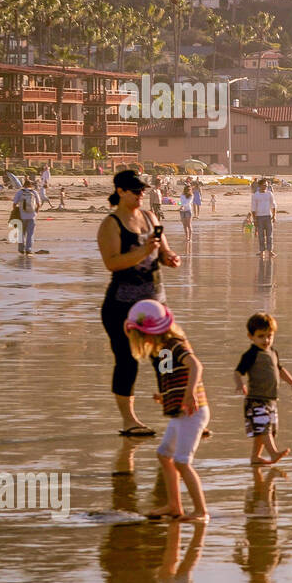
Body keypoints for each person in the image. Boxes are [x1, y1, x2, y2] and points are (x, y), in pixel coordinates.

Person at [99, 169, 181, 436]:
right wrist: (143, 251)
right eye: (136, 190)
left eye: (143, 189)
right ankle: (129, 421)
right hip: (122, 307)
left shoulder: (150, 217)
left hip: (155, 304)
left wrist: (169, 258)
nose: (141, 194)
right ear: (121, 191)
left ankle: (176, 413)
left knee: (166, 357)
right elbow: (112, 263)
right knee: (127, 361)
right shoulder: (111, 224)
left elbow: (163, 251)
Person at [124, 300, 208, 521]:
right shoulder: (162, 351)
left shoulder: (175, 344)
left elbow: (196, 365)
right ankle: (173, 505)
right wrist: (164, 395)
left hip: (192, 411)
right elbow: (168, 376)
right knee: (163, 455)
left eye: (141, 336)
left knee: (182, 461)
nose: (142, 341)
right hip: (179, 412)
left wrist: (190, 392)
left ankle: (201, 511)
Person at [234, 312, 292, 466]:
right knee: (264, 428)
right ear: (251, 336)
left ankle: (255, 457)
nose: (266, 340)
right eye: (261, 336)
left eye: (269, 336)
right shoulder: (251, 354)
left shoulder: (273, 352)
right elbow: (238, 372)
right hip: (256, 400)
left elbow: (280, 369)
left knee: (264, 429)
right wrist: (239, 384)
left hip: (271, 400)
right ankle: (273, 453)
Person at [11, 178, 41, 254]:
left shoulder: (20, 192)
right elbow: (39, 204)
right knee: (30, 234)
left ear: (24, 185)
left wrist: (16, 212)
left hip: (22, 216)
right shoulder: (34, 192)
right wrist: (36, 213)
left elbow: (14, 204)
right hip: (32, 216)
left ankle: (21, 249)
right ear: (31, 185)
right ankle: (28, 249)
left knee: (21, 233)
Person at [251, 179, 277, 257]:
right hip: (259, 217)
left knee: (269, 235)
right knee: (261, 236)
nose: (265, 186)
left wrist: (274, 215)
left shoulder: (269, 194)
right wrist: (254, 219)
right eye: (264, 185)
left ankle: (270, 251)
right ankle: (262, 251)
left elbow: (273, 205)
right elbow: (253, 208)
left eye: (266, 185)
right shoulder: (255, 195)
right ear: (260, 186)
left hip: (268, 216)